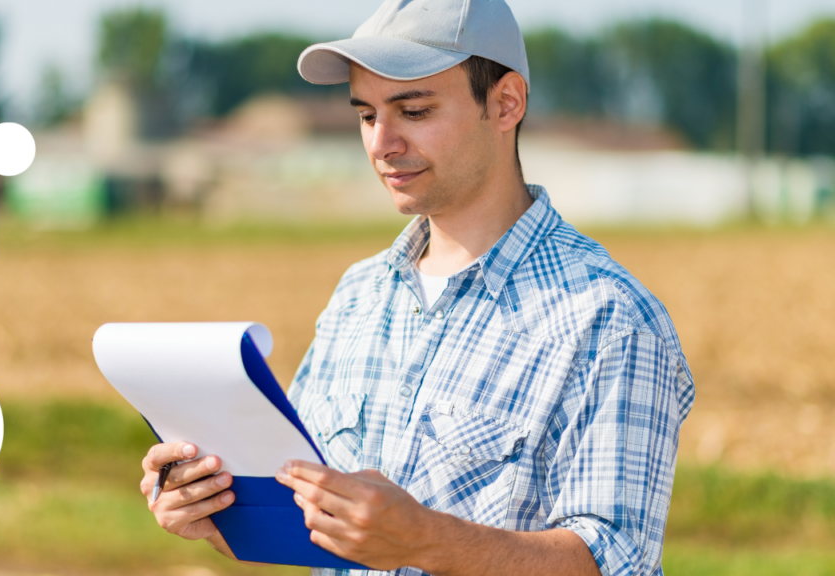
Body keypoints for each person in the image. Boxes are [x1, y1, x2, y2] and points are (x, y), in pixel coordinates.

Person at [140, 0, 695, 574]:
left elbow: (615, 561)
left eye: (414, 111)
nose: (382, 144)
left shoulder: (607, 317)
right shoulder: (357, 297)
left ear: (505, 103)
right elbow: (305, 522)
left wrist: (428, 541)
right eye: (366, 115)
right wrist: (215, 508)